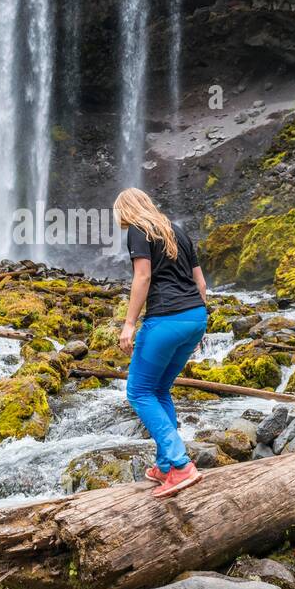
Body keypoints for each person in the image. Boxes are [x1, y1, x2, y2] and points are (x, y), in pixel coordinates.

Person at [113, 187, 208, 498]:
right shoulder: (177, 230)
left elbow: (142, 277)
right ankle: (165, 465)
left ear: (127, 211)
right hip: (195, 316)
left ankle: (180, 465)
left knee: (138, 391)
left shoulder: (140, 230)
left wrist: (129, 324)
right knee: (159, 389)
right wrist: (198, 328)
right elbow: (201, 283)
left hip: (165, 319)